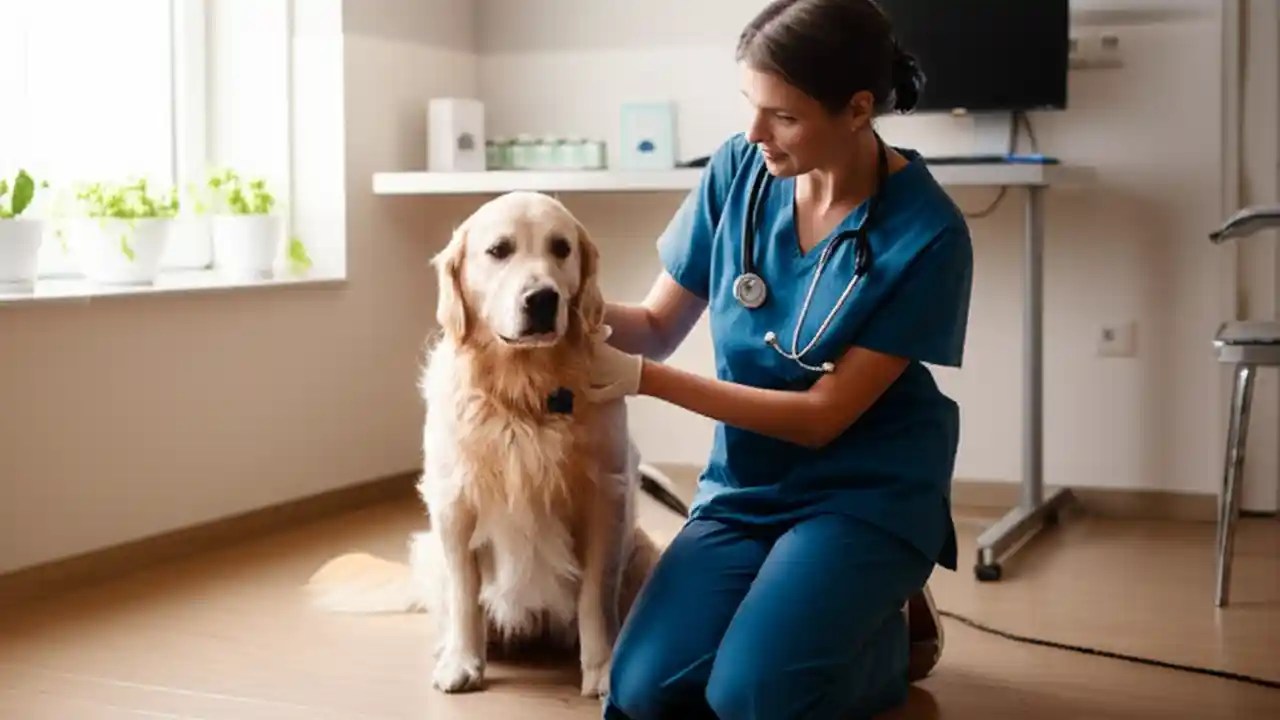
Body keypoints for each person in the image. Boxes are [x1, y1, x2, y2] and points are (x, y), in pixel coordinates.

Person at [583, 0, 973, 717]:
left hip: (868, 492)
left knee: (752, 696)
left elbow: (823, 419)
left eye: (784, 117)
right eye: (750, 106)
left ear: (858, 110)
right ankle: (815, 614)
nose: (755, 132)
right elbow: (656, 325)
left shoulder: (928, 233)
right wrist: (560, 305)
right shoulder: (740, 170)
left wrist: (644, 382)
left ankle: (889, 635)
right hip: (749, 487)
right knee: (641, 695)